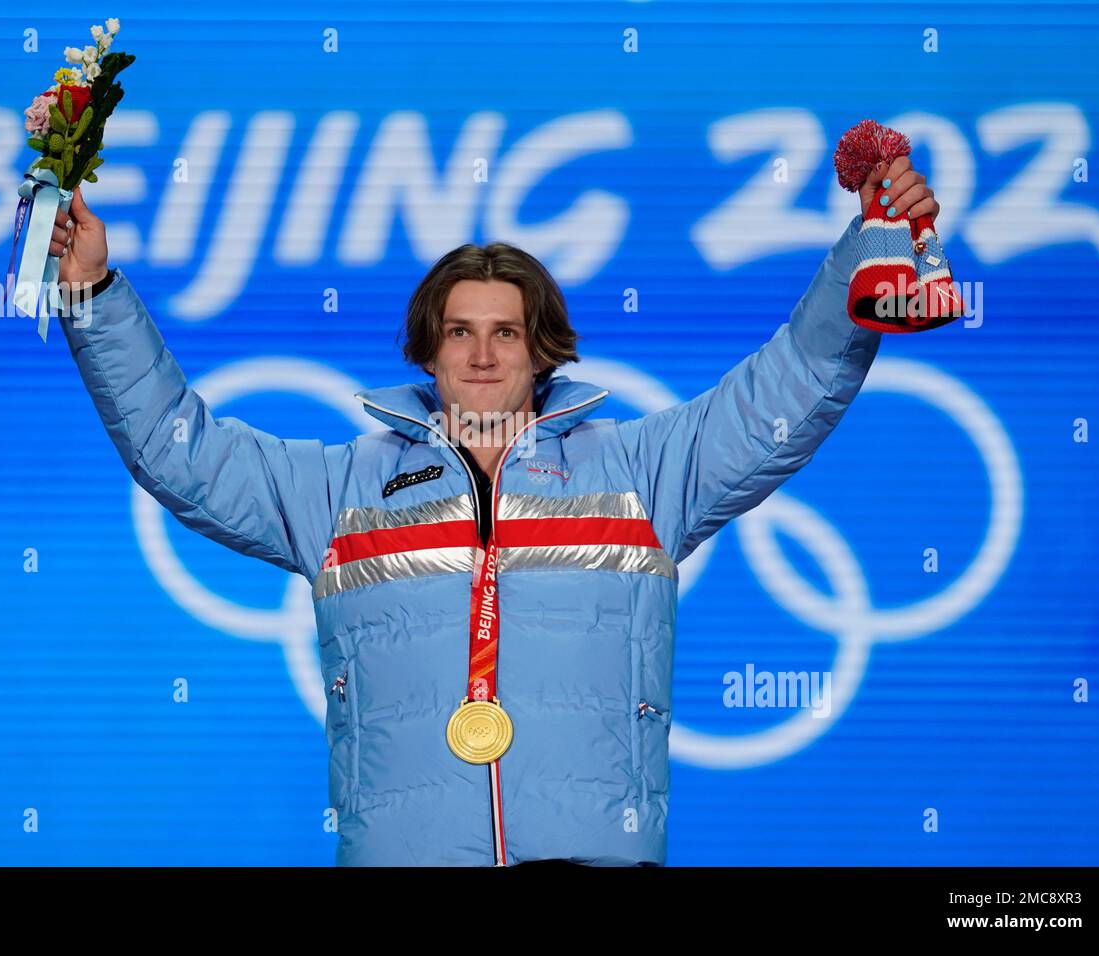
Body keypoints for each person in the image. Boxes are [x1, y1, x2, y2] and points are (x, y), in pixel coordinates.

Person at [47, 158, 938, 866]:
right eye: (459, 331)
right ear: (427, 351)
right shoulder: (339, 490)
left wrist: (868, 249)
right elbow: (179, 451)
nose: (480, 355)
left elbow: (777, 395)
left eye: (504, 331)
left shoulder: (640, 471)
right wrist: (95, 295)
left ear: (539, 346)